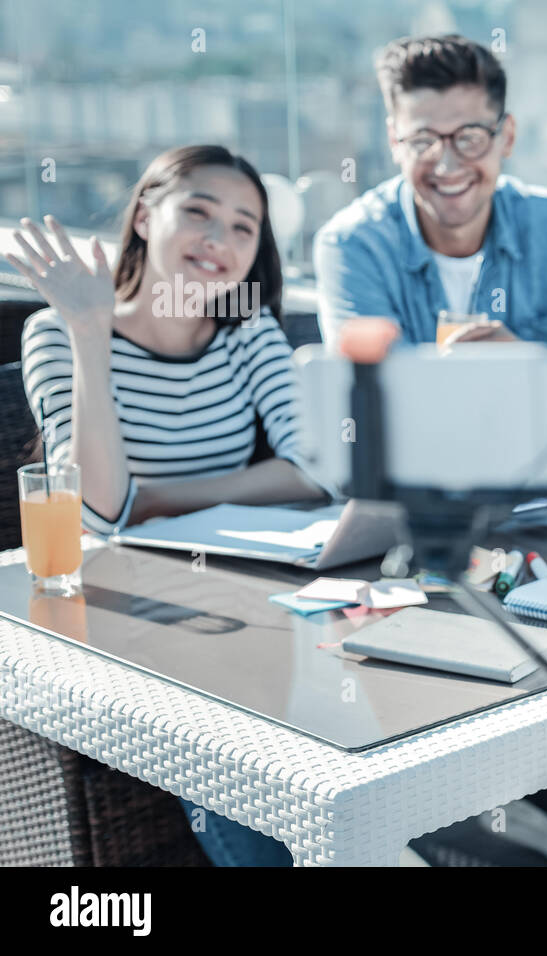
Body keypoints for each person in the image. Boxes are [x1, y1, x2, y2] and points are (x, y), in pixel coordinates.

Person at [9, 144, 336, 866]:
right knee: (243, 773)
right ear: (144, 215)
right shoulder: (56, 334)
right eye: (199, 212)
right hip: (121, 618)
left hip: (243, 594)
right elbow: (97, 512)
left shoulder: (248, 334)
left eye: (245, 226)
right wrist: (91, 332)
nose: (219, 240)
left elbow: (316, 468)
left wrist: (156, 500)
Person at [313, 34, 547, 432]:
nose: (447, 165)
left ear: (506, 136)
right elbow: (367, 414)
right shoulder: (353, 244)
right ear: (393, 143)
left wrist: (532, 366)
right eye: (423, 141)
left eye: (469, 137)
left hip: (539, 484)